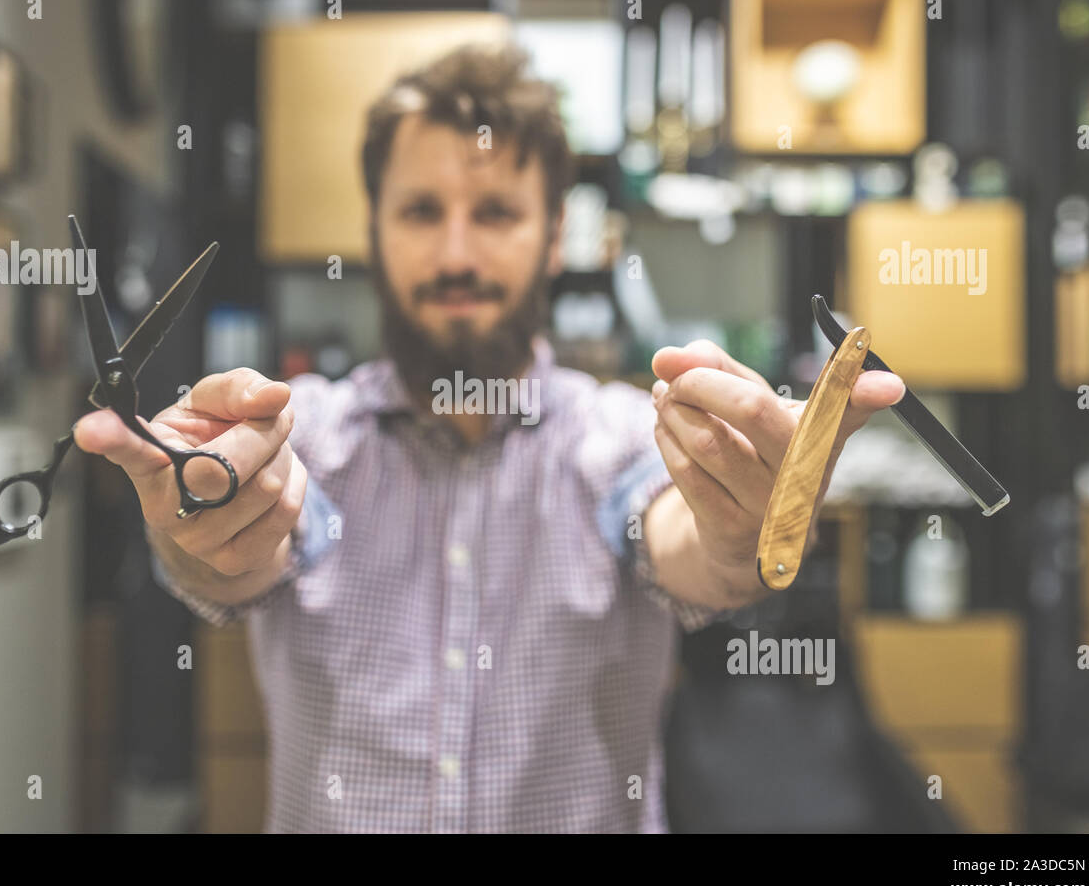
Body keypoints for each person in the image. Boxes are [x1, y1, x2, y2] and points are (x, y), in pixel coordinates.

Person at [72, 42, 904, 832]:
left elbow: (681, 542)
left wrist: (740, 529)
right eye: (423, 211)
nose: (457, 252)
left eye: (497, 212)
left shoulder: (615, 440)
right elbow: (245, 550)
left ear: (551, 241)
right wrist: (199, 528)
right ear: (375, 230)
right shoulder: (308, 438)